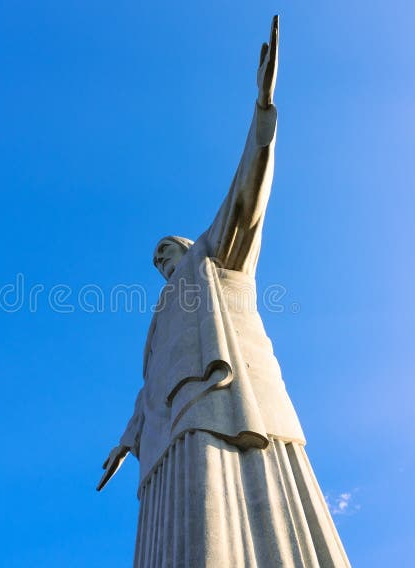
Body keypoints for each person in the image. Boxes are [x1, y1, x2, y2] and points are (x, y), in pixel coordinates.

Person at [98, 16, 351, 568]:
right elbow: (147, 391)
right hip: (167, 427)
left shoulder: (212, 259)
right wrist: (126, 439)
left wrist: (262, 116)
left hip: (224, 394)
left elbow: (246, 200)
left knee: (230, 504)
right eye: (159, 260)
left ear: (186, 245)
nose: (164, 263)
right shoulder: (163, 315)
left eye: (168, 251)